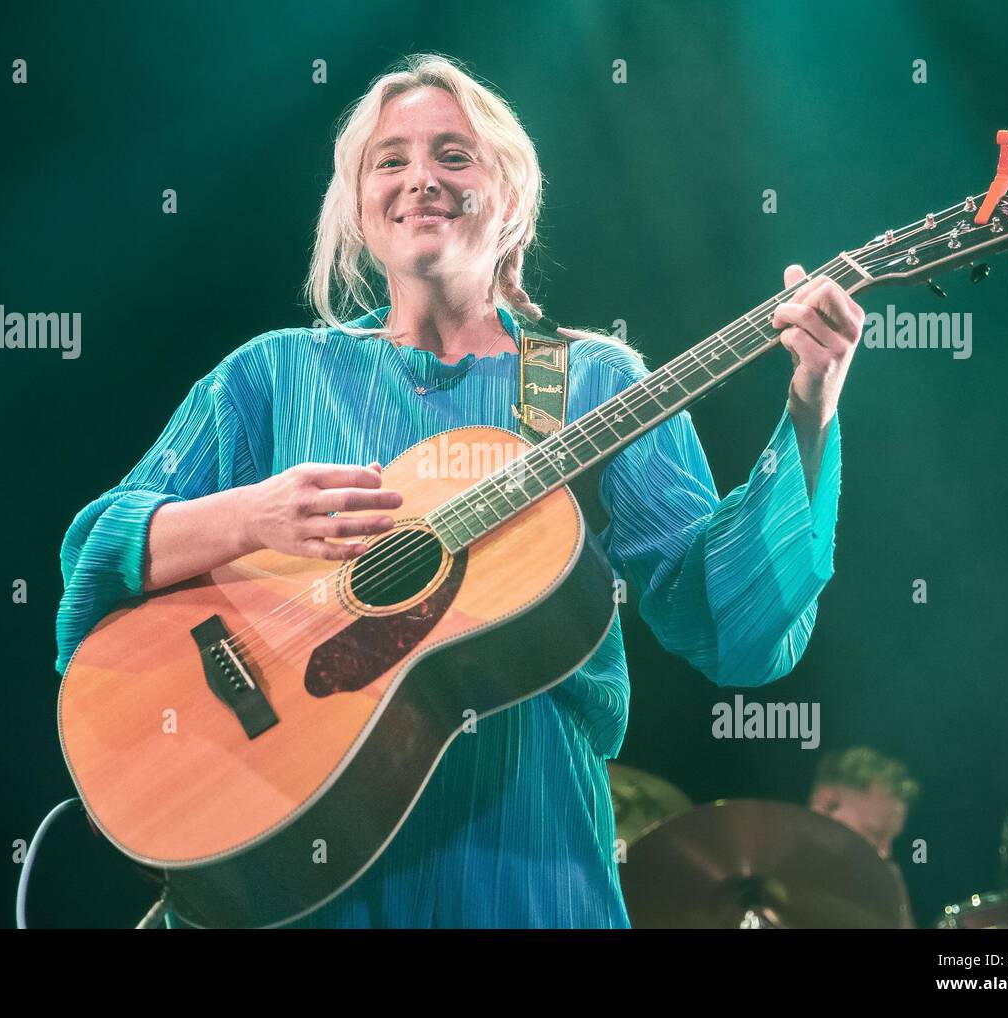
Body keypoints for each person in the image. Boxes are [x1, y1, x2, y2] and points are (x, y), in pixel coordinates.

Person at [54, 53, 864, 928]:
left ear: (510, 200)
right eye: (390, 160)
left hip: (527, 854)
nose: (420, 180)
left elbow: (731, 625)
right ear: (360, 211)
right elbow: (101, 556)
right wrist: (245, 516)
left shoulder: (592, 380)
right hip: (301, 855)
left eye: (453, 154)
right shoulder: (275, 374)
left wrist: (810, 409)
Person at [809, 746, 920, 927]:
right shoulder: (762, 863)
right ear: (827, 804)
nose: (885, 852)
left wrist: (900, 905)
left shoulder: (881, 885)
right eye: (875, 833)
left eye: (891, 839)